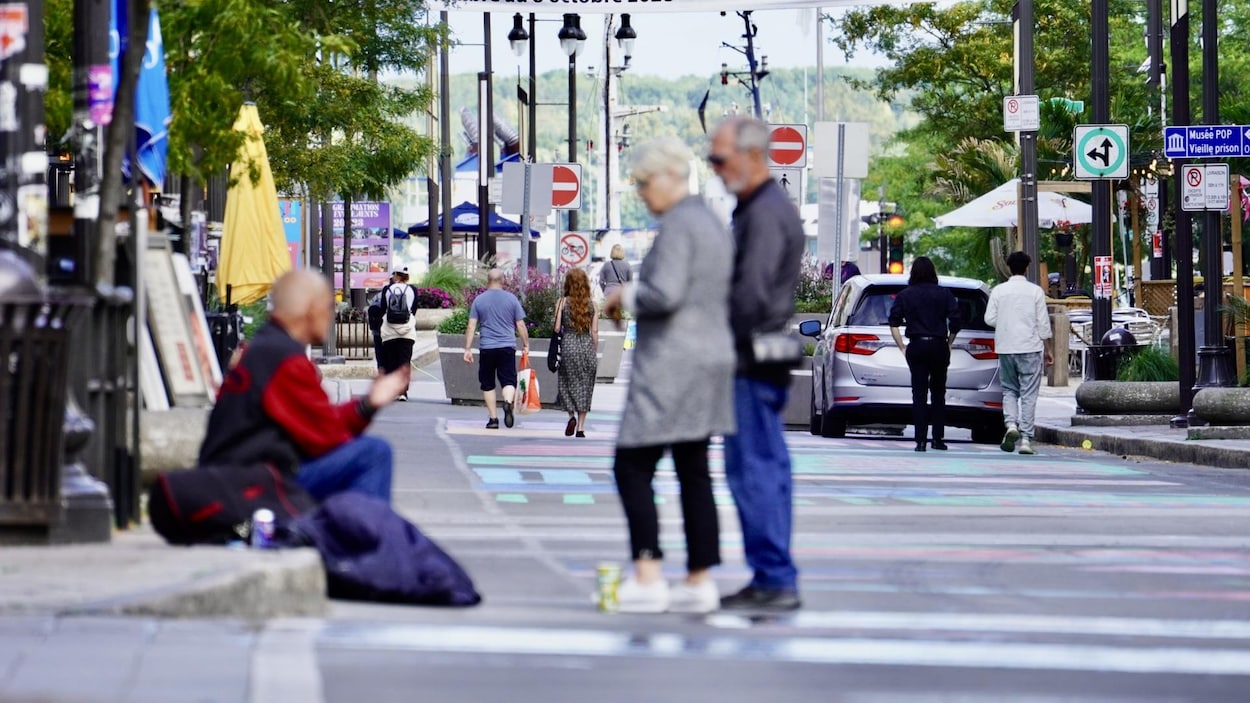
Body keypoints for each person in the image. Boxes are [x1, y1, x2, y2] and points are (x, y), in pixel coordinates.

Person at [603, 137, 736, 613]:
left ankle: (648, 572)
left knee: (631, 465)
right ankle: (699, 579)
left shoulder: (679, 225)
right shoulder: (713, 223)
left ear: (667, 178)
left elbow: (664, 293)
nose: (641, 193)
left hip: (671, 367)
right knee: (693, 470)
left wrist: (624, 297)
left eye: (642, 183)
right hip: (709, 362)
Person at [198, 270, 409, 503]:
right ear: (311, 309)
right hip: (253, 485)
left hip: (239, 476)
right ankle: (369, 533)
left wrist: (369, 402)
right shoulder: (286, 360)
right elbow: (329, 435)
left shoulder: (265, 347)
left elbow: (317, 423)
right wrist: (368, 405)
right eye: (329, 307)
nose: (331, 317)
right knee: (374, 453)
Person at [709, 115, 806, 612]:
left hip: (749, 354)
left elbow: (751, 292)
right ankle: (771, 572)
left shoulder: (763, 212)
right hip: (756, 352)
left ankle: (772, 575)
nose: (716, 169)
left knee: (753, 469)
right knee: (762, 465)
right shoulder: (763, 208)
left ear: (750, 156)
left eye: (720, 159)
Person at [888, 256, 961, 452]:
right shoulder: (944, 294)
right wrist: (950, 342)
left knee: (918, 394)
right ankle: (938, 439)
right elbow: (956, 321)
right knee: (938, 393)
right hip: (938, 345)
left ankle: (920, 440)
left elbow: (893, 322)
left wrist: (902, 346)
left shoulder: (905, 295)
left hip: (917, 345)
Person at [985, 251, 1054, 455]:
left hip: (1006, 347)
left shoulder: (999, 291)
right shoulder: (1035, 292)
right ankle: (1025, 439)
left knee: (1009, 389)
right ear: (1026, 268)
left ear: (1008, 268)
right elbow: (1043, 324)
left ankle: (1011, 425)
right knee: (1029, 394)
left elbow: (989, 319)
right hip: (1030, 347)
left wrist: (1006, 322)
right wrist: (1048, 349)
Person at [463, 269, 529, 429]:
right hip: (507, 347)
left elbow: (471, 326)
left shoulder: (479, 300)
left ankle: (493, 419)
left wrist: (467, 348)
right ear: (503, 280)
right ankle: (507, 402)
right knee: (508, 380)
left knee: (488, 383)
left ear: (487, 281)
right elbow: (520, 324)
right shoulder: (512, 299)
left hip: (487, 347)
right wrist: (526, 344)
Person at [554, 268, 599, 438]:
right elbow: (594, 331)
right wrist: (593, 349)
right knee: (585, 386)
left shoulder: (562, 302)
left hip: (568, 345)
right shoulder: (592, 304)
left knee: (566, 383)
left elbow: (557, 328)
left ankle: (571, 416)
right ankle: (580, 428)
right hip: (586, 345)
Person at [378, 269, 416, 400]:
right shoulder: (412, 290)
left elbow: (383, 308)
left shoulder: (387, 290)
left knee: (391, 361)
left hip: (390, 331)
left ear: (397, 275)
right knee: (404, 361)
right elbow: (413, 309)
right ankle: (403, 392)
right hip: (407, 331)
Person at [366, 272, 398, 371]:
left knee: (380, 357)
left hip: (377, 331)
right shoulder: (399, 294)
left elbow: (370, 311)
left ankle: (382, 372)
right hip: (391, 331)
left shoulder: (379, 295)